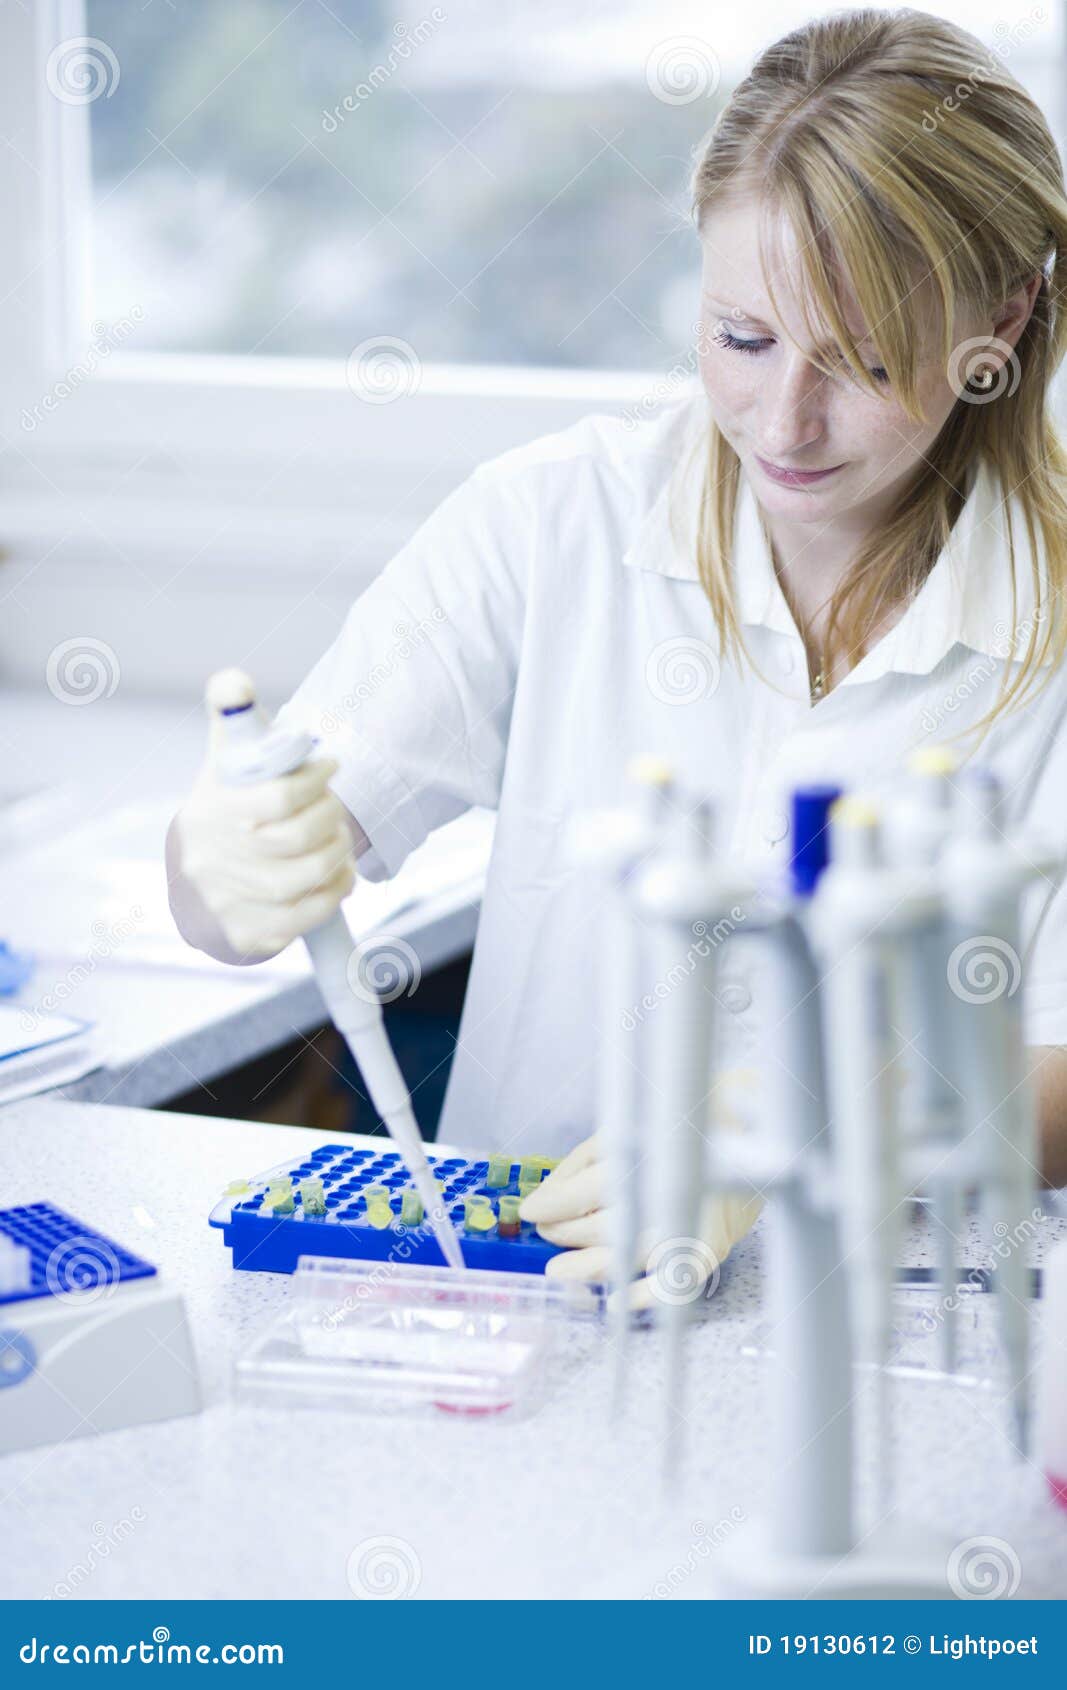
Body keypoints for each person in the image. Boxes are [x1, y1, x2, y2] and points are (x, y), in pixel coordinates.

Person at [168, 9, 1067, 1307]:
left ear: (1005, 317)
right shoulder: (550, 524)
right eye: (743, 338)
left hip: (899, 1335)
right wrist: (219, 864)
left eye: (867, 359)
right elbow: (247, 887)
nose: (786, 421)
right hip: (526, 1304)